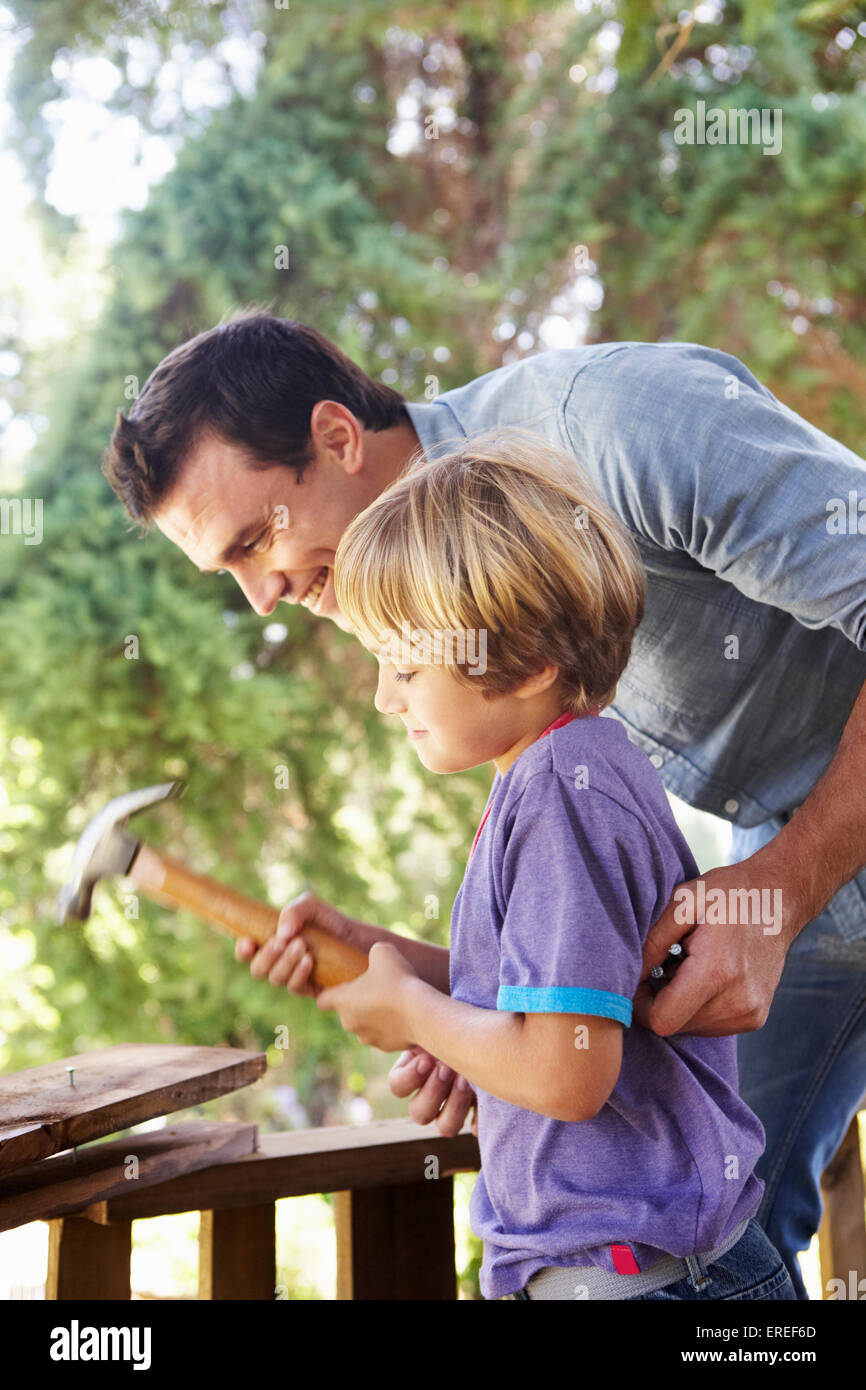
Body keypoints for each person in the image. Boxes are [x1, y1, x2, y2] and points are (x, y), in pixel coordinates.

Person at [102, 309, 866, 1299]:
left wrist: (782, 884)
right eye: (229, 571)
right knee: (707, 1200)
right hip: (797, 841)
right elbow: (581, 1016)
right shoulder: (450, 622)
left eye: (256, 542)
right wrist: (484, 1008)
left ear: (335, 437)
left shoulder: (616, 428)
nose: (262, 595)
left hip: (807, 844)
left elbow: (572, 1060)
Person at [306, 429, 794, 1300]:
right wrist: (388, 958)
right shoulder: (568, 772)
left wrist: (416, 1012)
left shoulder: (559, 794)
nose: (386, 697)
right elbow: (565, 995)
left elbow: (566, 1069)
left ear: (529, 662)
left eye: (406, 665)